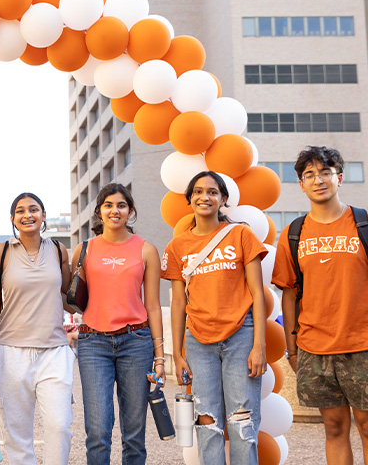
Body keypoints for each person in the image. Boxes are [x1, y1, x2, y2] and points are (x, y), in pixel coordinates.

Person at [162, 171, 267, 465]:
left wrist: (259, 346)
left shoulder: (241, 235)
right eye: (197, 192)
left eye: (211, 192)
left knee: (242, 421)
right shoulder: (177, 247)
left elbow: (258, 293)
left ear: (222, 199)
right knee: (207, 424)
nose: (204, 197)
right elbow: (178, 302)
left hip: (241, 336)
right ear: (190, 200)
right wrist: (180, 353)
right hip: (198, 341)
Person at [272, 146, 368, 464]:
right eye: (309, 174)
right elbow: (288, 293)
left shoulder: (363, 225)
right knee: (334, 426)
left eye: (325, 172)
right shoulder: (293, 234)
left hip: (362, 344)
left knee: (367, 426)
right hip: (315, 348)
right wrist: (293, 347)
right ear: (301, 184)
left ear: (339, 178)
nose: (318, 180)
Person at [72, 183, 164, 465]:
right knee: (98, 431)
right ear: (99, 212)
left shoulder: (146, 250)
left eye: (121, 205)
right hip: (93, 343)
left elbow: (152, 306)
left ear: (130, 211)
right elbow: (71, 297)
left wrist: (160, 355)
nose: (115, 210)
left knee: (134, 433)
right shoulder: (83, 250)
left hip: (136, 343)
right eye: (108, 205)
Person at [0, 192, 73, 465]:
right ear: (12, 219)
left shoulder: (59, 250)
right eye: (20, 211)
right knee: (17, 435)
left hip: (55, 350)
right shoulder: (0, 252)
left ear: (44, 215)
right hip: (11, 352)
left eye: (34, 209)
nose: (27, 215)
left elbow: (68, 298)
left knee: (59, 426)